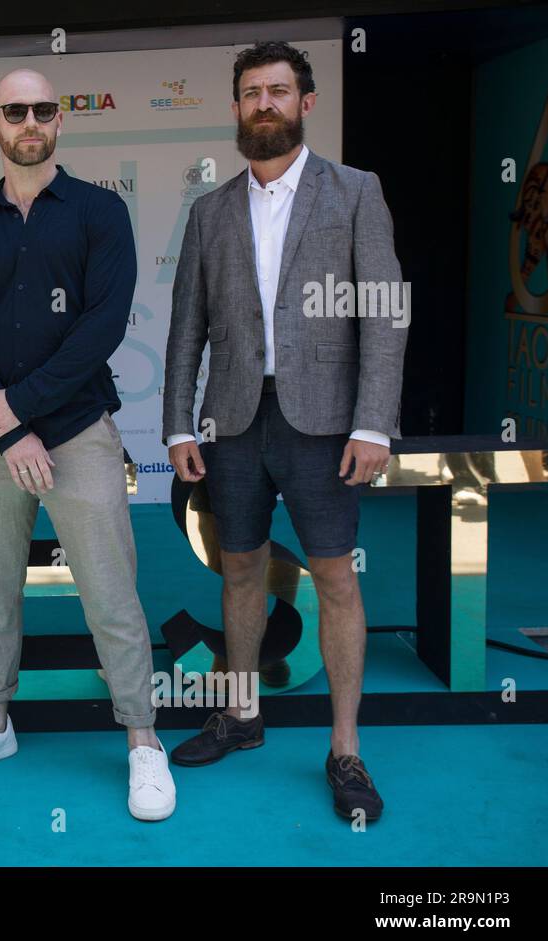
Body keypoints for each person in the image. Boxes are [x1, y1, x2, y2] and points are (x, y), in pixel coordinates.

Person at [163, 41, 408, 822]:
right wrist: (177, 426)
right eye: (249, 93)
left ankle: (345, 748)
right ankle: (241, 717)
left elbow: (385, 312)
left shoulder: (357, 192)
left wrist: (374, 422)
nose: (263, 103)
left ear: (305, 102)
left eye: (277, 91)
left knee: (334, 577)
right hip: (232, 421)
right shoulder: (209, 210)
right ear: (236, 108)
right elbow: (185, 333)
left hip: (327, 424)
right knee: (239, 571)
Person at [0, 68, 175, 821]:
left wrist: (25, 412)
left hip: (77, 431)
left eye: (43, 108)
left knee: (110, 594)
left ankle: (143, 741)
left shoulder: (102, 212)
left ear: (60, 120)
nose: (30, 120)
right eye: (15, 109)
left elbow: (100, 328)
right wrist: (6, 428)